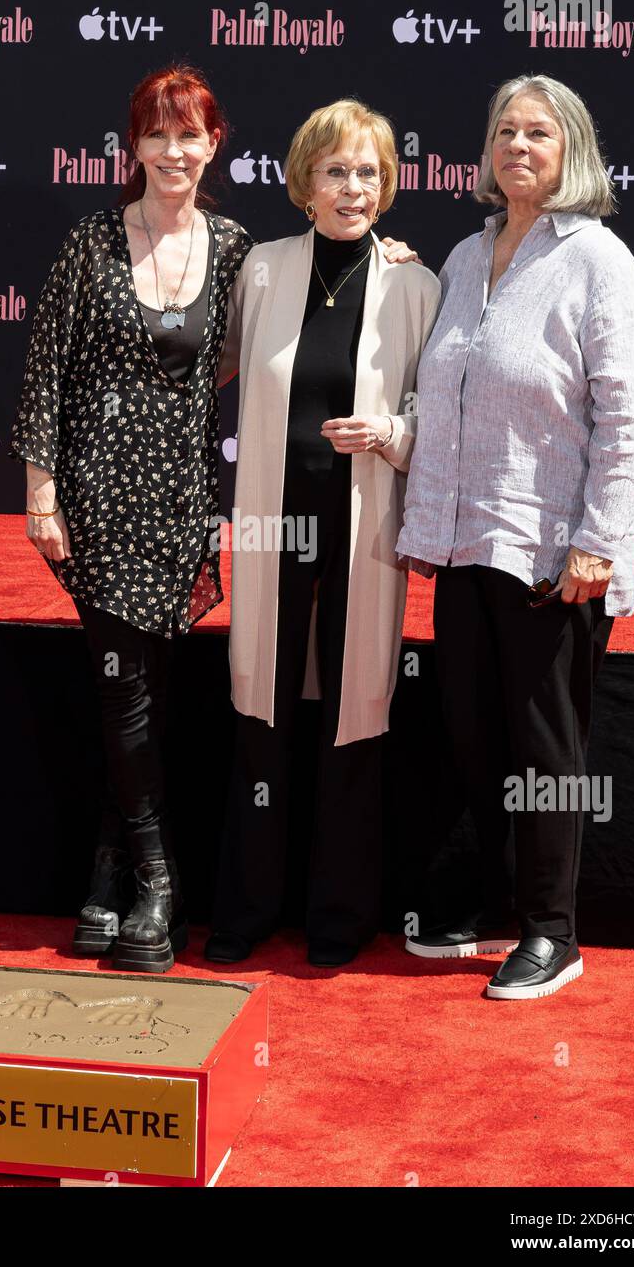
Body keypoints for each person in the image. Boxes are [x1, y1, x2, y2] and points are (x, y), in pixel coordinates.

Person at [8, 68, 414, 973]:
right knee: (130, 687)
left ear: (215, 144)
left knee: (155, 682)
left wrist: (392, 269)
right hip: (109, 498)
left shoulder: (250, 250)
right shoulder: (118, 247)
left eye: (188, 135)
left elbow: (270, 339)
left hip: (193, 501)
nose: (174, 151)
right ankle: (161, 879)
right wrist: (44, 489)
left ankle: (116, 872)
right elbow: (51, 371)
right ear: (134, 148)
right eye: (158, 135)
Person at [398, 74, 634, 1000]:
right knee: (474, 735)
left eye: (538, 133)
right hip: (469, 545)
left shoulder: (599, 261)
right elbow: (448, 396)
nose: (518, 146)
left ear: (571, 151)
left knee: (548, 751)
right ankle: (489, 901)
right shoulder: (469, 258)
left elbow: (629, 417)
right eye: (504, 130)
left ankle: (555, 931)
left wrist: (599, 540)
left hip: (555, 554)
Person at [205, 99, 441, 968]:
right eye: (338, 171)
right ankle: (245, 912)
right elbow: (209, 366)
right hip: (271, 528)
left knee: (352, 720)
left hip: (365, 531)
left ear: (387, 187)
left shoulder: (416, 286)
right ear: (305, 182)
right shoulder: (262, 270)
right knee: (260, 712)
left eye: (371, 173)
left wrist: (391, 435)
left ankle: (340, 920)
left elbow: (436, 417)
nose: (354, 187)